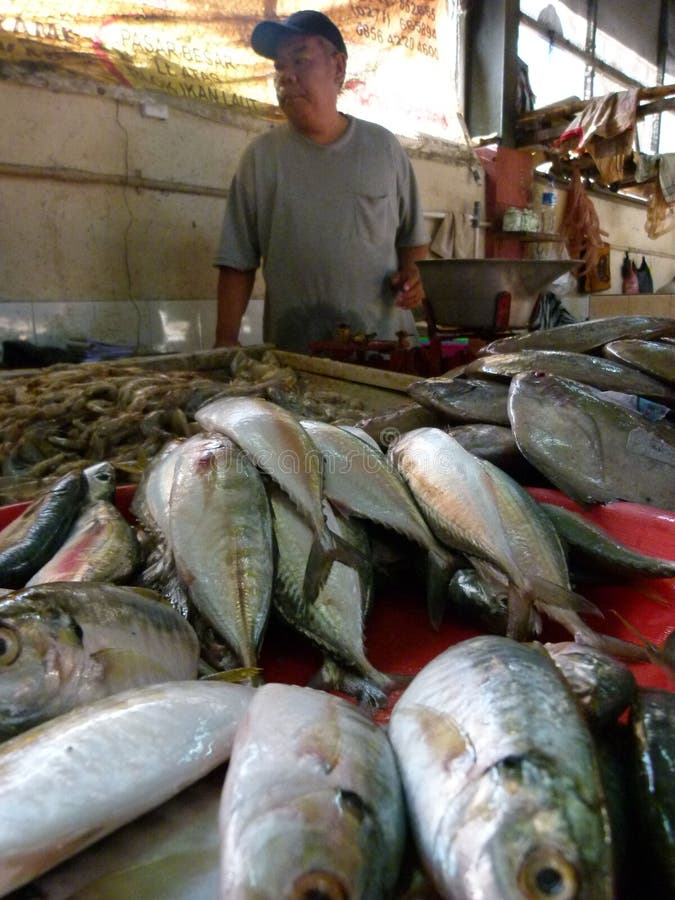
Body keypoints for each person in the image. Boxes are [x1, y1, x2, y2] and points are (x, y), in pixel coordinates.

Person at [213, 9, 429, 354]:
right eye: (279, 67)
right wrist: (225, 342)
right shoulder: (261, 159)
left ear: (338, 67)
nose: (286, 76)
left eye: (300, 60)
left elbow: (413, 243)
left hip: (384, 356)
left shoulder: (383, 149)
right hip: (295, 360)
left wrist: (413, 278)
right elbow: (237, 263)